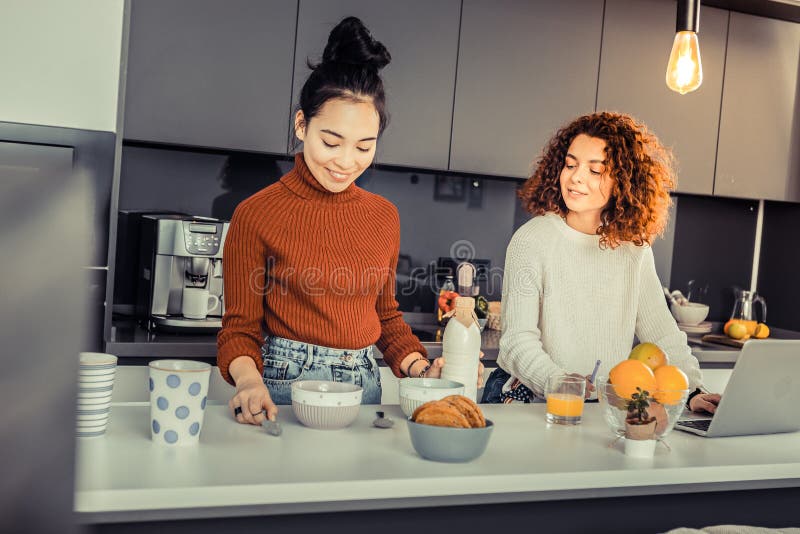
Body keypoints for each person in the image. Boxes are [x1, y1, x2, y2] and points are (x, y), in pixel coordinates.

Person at [217, 17, 481, 426]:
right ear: (302, 125)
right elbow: (239, 328)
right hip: (284, 387)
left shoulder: (383, 217)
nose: (345, 162)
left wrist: (421, 368)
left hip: (364, 383)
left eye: (364, 146)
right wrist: (249, 381)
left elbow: (386, 317)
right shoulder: (255, 213)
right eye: (331, 141)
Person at [482, 111, 720, 414]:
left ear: (623, 182)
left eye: (595, 170)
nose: (576, 177)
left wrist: (692, 391)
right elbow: (517, 341)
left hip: (600, 409)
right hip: (529, 402)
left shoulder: (634, 251)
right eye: (570, 165)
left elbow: (663, 337)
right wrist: (560, 382)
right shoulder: (532, 240)